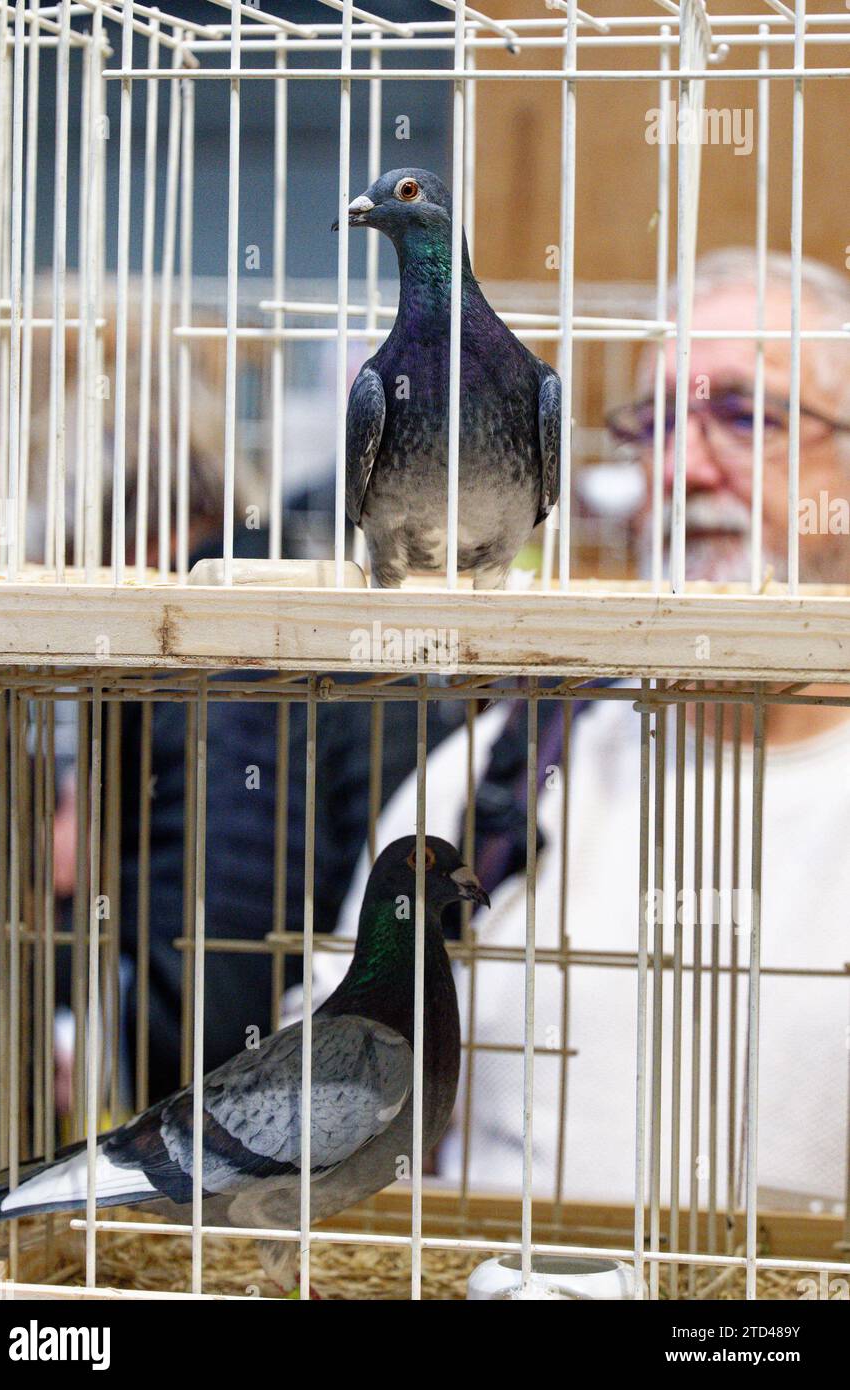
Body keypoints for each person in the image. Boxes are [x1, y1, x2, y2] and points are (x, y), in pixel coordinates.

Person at [304, 249, 850, 1216]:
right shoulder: (501, 771)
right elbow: (327, 1088)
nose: (679, 468)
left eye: (747, 417)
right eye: (653, 426)